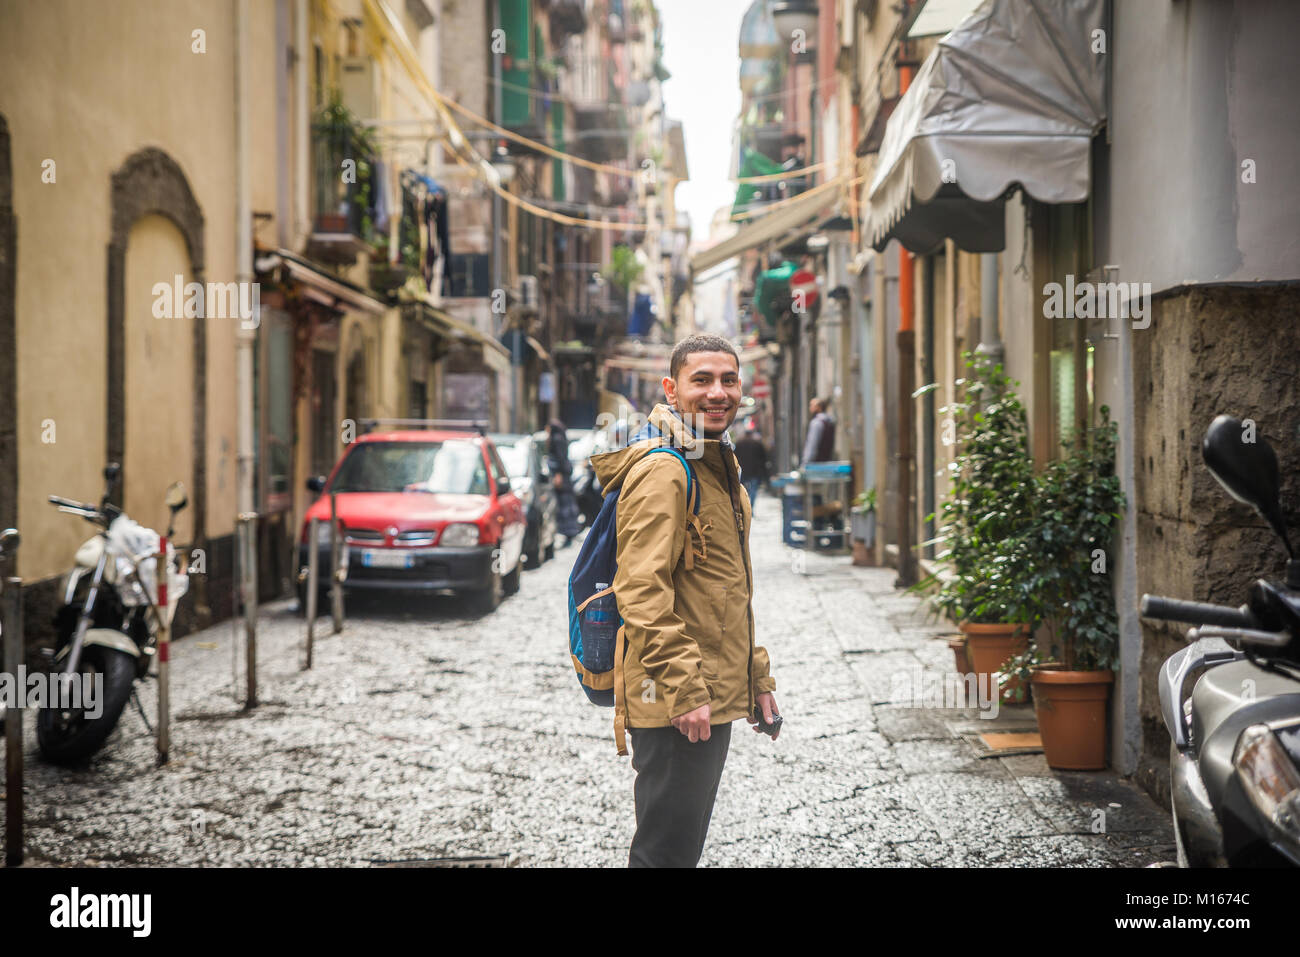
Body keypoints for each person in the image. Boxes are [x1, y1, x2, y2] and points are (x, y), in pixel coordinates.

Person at [590, 333, 780, 868]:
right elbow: (641, 589)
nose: (717, 392)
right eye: (702, 380)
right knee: (663, 855)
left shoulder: (719, 471)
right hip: (678, 700)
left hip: (705, 691)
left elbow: (724, 592)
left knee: (679, 850)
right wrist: (683, 686)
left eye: (728, 380)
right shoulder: (667, 471)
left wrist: (755, 678)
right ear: (672, 390)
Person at [546, 419, 581, 545]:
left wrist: (558, 474)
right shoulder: (560, 438)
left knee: (564, 504)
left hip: (561, 477)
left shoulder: (557, 439)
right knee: (566, 504)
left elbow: (560, 458)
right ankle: (569, 531)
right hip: (564, 477)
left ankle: (569, 532)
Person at [732, 421, 771, 513]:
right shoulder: (757, 444)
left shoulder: (739, 443)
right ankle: (750, 508)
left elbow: (735, 457)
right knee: (753, 491)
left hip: (743, 471)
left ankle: (745, 508)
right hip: (754, 471)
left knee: (743, 491)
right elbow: (763, 458)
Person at [801, 396, 836, 465]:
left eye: (812, 405)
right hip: (827, 462)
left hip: (815, 464)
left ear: (819, 407)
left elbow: (812, 444)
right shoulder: (830, 421)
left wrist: (805, 462)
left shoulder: (816, 423)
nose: (810, 408)